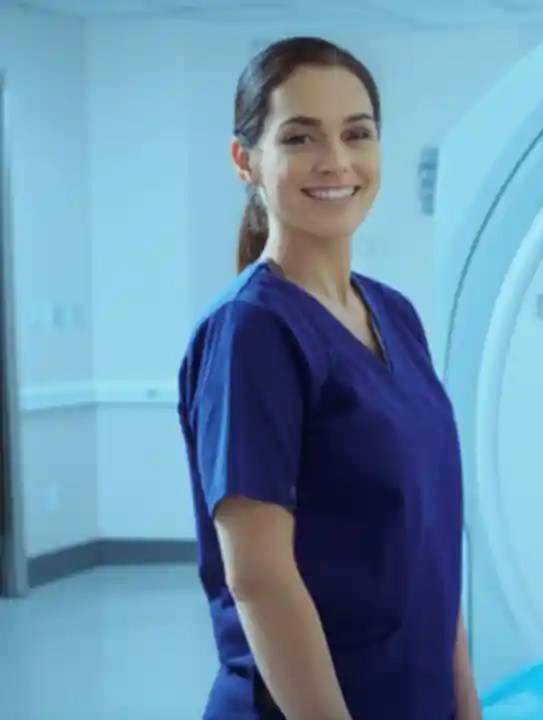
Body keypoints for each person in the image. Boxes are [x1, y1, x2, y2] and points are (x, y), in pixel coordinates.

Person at [176, 36, 481, 719]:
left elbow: (430, 546)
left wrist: (465, 704)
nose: (335, 161)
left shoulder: (393, 313)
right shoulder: (253, 330)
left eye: (357, 133)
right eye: (300, 137)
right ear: (245, 161)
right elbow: (258, 579)